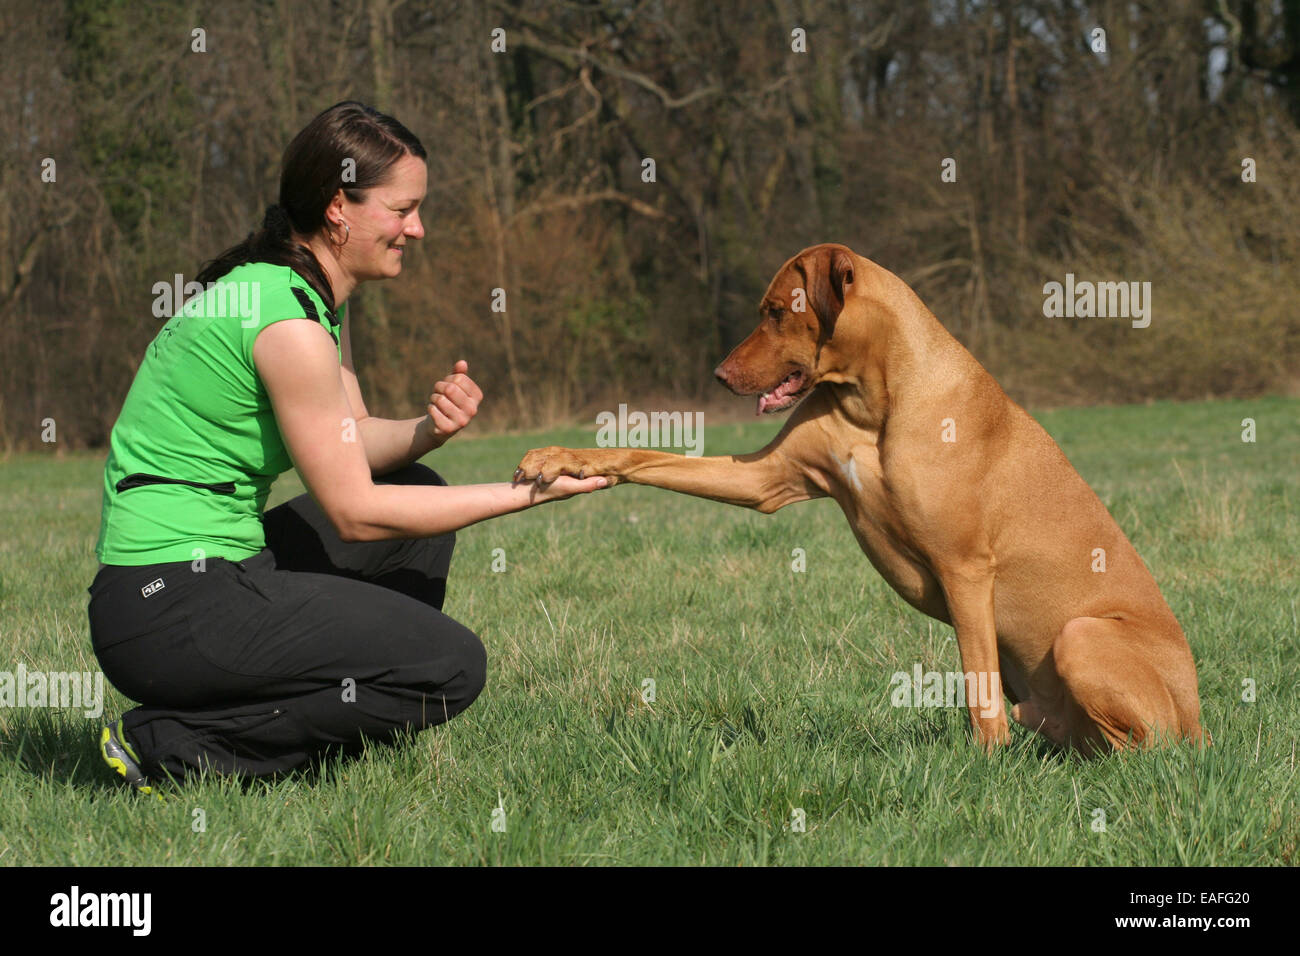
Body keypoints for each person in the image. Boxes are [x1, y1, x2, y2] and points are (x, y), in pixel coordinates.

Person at [88, 101, 606, 794]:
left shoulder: (294, 295)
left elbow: (350, 441)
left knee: (420, 484)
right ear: (340, 208)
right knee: (451, 668)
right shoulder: (287, 322)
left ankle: (338, 703)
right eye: (403, 210)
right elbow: (354, 511)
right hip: (168, 608)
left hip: (202, 580)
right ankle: (174, 744)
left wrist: (428, 431)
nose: (417, 229)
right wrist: (525, 493)